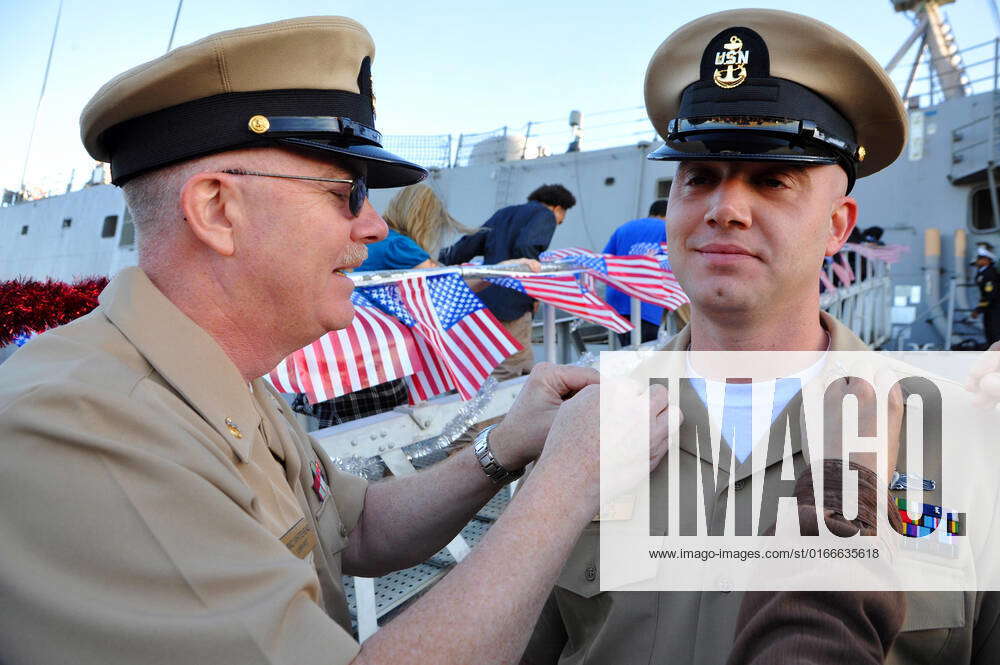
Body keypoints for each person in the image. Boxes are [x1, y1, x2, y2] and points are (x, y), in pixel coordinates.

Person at [0, 17, 672, 665]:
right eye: (346, 192)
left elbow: (357, 525)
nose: (376, 226)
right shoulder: (86, 428)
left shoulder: (214, 376)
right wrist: (568, 482)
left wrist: (511, 443)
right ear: (216, 210)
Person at [522, 9, 999, 665]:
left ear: (838, 225)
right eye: (699, 176)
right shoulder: (584, 429)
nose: (726, 208)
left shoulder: (963, 436)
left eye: (772, 179)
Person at [293, 184, 473, 428]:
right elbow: (446, 288)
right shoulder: (399, 246)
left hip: (330, 358)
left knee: (337, 440)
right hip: (370, 361)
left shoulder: (368, 244)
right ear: (426, 220)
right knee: (378, 437)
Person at [439, 183, 576, 380]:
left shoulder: (504, 213)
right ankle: (495, 409)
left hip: (484, 300)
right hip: (513, 305)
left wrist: (433, 263)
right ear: (557, 207)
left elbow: (467, 246)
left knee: (508, 362)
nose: (560, 221)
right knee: (510, 367)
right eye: (563, 216)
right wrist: (535, 291)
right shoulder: (545, 215)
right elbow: (527, 246)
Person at [602, 199, 669, 345]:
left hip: (617, 300)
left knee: (627, 353)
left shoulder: (624, 228)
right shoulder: (668, 228)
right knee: (647, 354)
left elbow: (604, 262)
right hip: (649, 302)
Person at [971, 244, 1000, 347]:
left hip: (995, 307)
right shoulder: (983, 272)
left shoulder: (989, 273)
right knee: (990, 332)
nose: (977, 262)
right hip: (989, 308)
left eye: (979, 259)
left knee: (995, 333)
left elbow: (990, 295)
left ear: (986, 260)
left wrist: (978, 309)